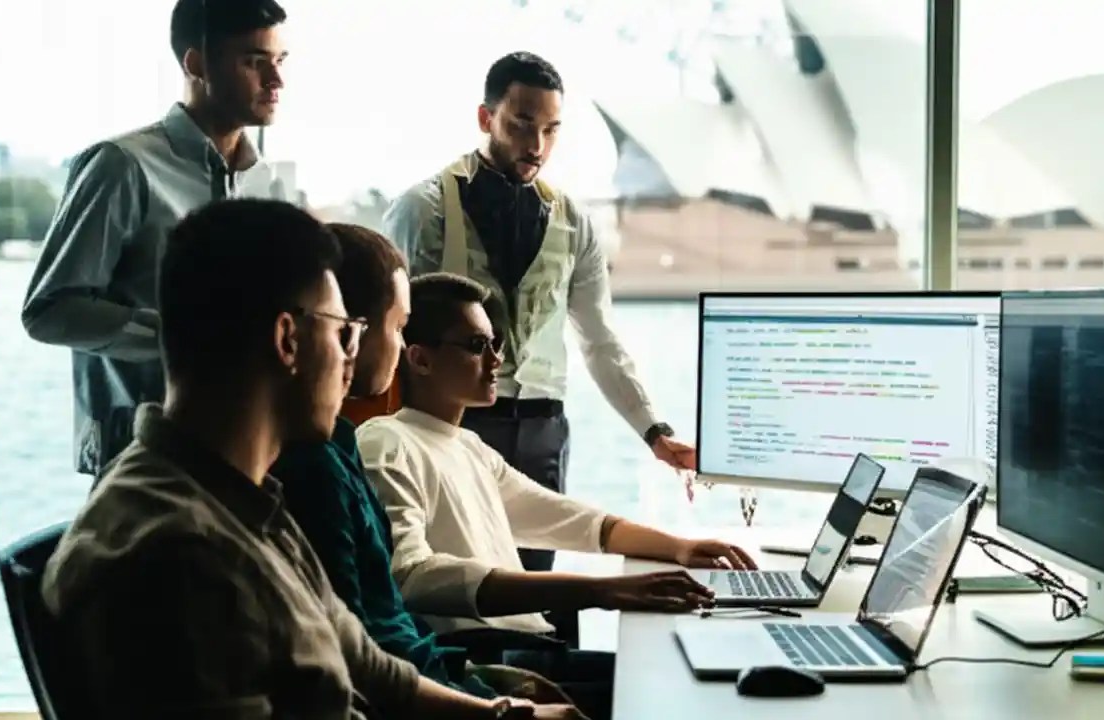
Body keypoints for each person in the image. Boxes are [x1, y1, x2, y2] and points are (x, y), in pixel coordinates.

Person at [42, 199, 583, 720]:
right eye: (344, 331)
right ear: (288, 338)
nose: (352, 355)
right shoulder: (182, 557)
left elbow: (366, 663)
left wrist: (500, 713)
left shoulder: (243, 498)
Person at [356, 272, 758, 713]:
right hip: (484, 662)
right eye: (477, 346)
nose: (496, 360)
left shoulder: (468, 447)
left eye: (496, 344)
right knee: (691, 688)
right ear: (420, 359)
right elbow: (412, 577)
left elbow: (572, 521)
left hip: (527, 646)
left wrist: (679, 548)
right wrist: (600, 591)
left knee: (699, 674)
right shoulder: (386, 442)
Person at [382, 51, 694, 579]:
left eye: (551, 130)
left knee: (538, 579)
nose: (537, 146)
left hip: (543, 428)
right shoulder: (423, 208)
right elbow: (390, 326)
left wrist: (653, 431)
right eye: (522, 124)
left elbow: (599, 339)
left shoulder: (574, 221)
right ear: (486, 118)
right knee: (455, 577)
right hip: (453, 422)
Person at [271, 223, 580, 710]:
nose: (356, 347)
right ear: (289, 337)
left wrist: (479, 679)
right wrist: (494, 707)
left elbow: (379, 632)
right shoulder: (325, 463)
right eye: (396, 327)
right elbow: (361, 662)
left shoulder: (343, 448)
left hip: (438, 673)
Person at [20, 0, 288, 477]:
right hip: (140, 459)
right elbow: (48, 310)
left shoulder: (266, 182)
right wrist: (182, 335)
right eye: (255, 61)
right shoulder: (121, 166)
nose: (277, 80)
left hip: (246, 454)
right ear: (196, 64)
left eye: (280, 61)